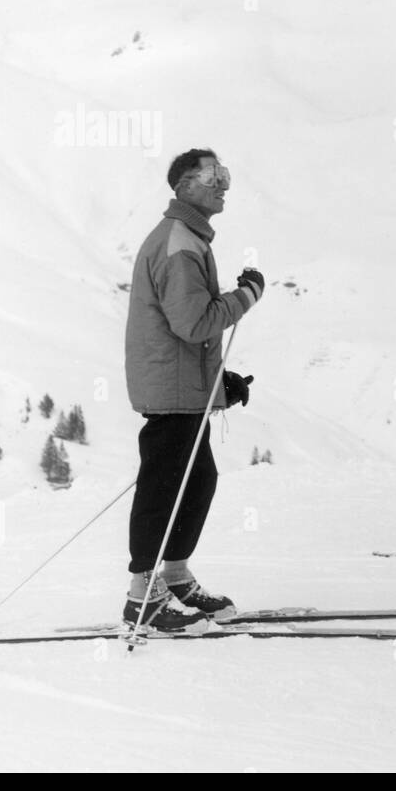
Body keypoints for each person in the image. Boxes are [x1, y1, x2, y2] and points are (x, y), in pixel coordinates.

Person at [122, 149, 265, 631]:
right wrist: (245, 297)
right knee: (162, 489)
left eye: (226, 175)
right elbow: (194, 323)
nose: (223, 184)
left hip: (183, 389)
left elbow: (183, 327)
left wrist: (217, 385)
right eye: (212, 176)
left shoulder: (189, 238)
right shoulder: (180, 243)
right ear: (183, 185)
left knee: (197, 481)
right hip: (170, 394)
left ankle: (175, 577)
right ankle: (142, 597)